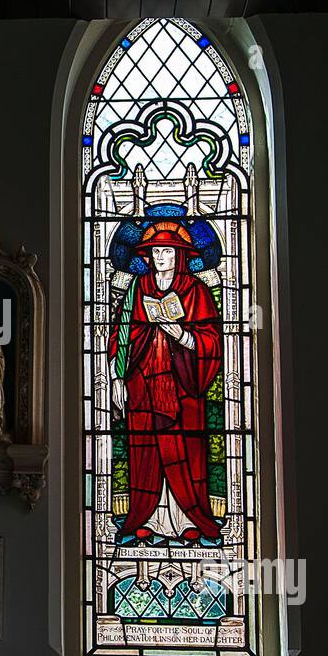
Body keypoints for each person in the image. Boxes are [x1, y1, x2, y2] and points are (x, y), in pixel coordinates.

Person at [109, 222, 224, 547]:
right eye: (155, 251)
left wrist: (183, 335)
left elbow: (213, 341)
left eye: (167, 251)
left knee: (184, 451)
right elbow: (120, 336)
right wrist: (118, 378)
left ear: (180, 256)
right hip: (142, 384)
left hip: (182, 388)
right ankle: (146, 517)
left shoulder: (195, 291)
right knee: (145, 451)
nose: (160, 256)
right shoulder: (138, 288)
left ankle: (190, 519)